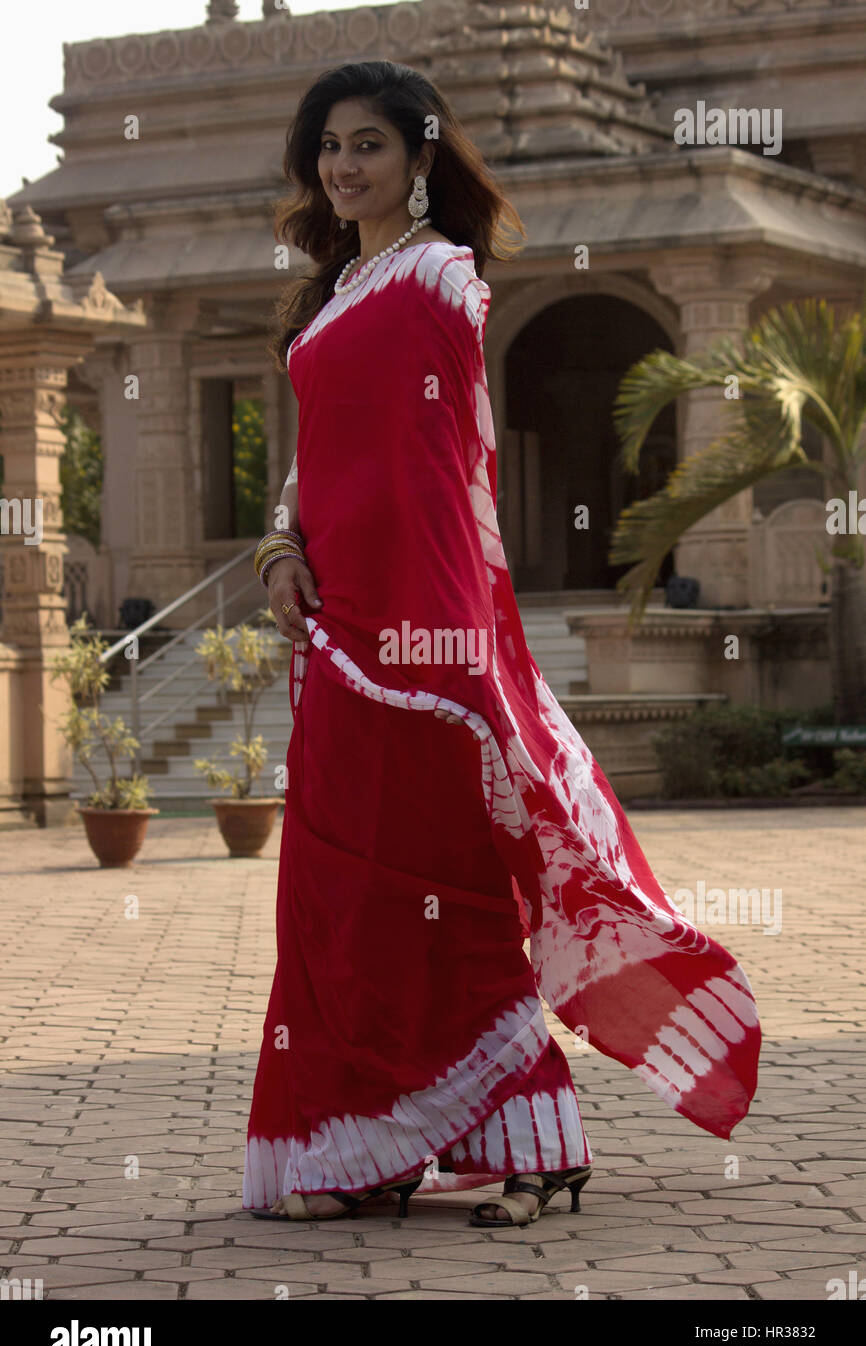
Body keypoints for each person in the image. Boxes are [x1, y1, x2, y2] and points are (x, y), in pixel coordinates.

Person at [242, 60, 761, 1229]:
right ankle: (362, 1145)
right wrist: (279, 547)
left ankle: (535, 1140)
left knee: (444, 886)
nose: (341, 166)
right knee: (338, 894)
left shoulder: (439, 279)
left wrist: (456, 641)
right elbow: (318, 453)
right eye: (327, 146)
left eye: (367, 144)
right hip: (331, 632)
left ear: (420, 158)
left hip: (418, 638)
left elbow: (452, 469)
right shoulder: (331, 291)